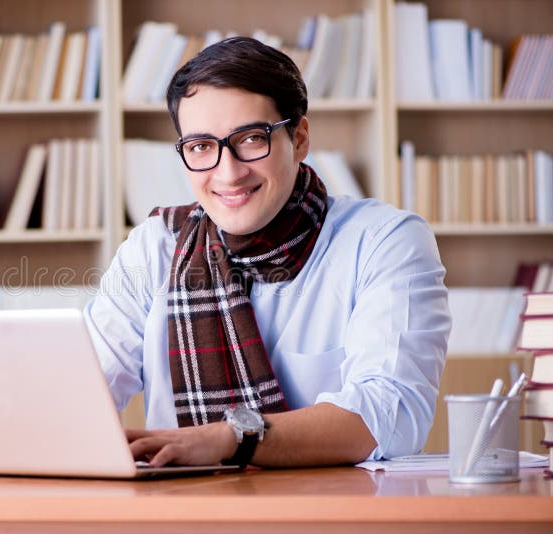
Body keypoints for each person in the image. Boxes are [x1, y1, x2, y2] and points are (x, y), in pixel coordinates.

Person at [84, 37, 450, 469]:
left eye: (252, 139)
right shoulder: (154, 247)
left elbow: (391, 415)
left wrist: (230, 438)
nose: (229, 172)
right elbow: (80, 395)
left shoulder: (384, 240)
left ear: (299, 138)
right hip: (181, 513)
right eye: (201, 146)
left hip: (335, 514)